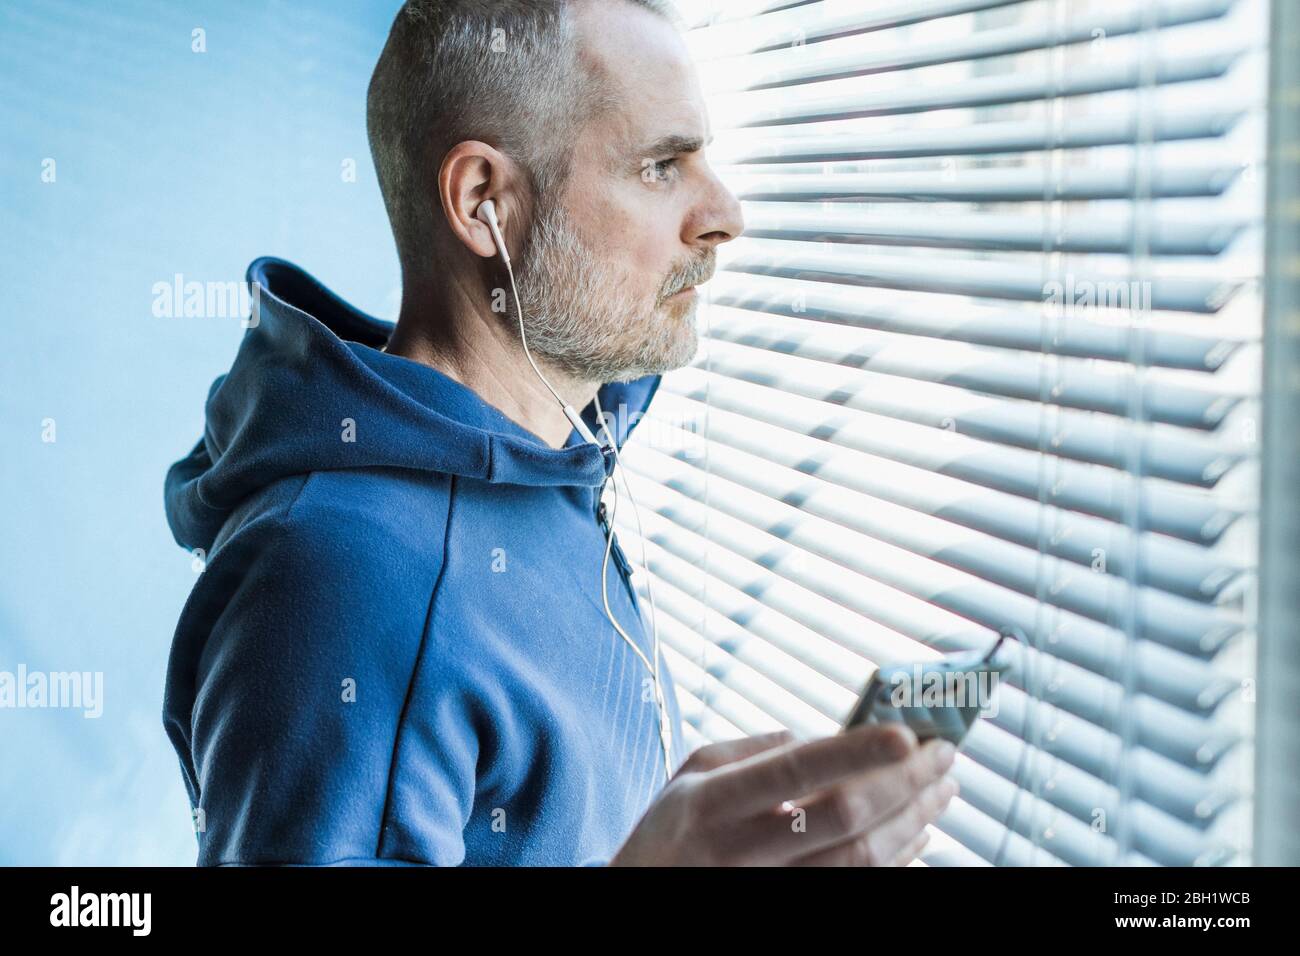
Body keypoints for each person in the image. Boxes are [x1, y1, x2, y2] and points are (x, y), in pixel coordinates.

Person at [161, 0, 959, 867]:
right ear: (485, 204)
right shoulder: (343, 577)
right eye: (661, 166)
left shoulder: (555, 464)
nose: (725, 211)